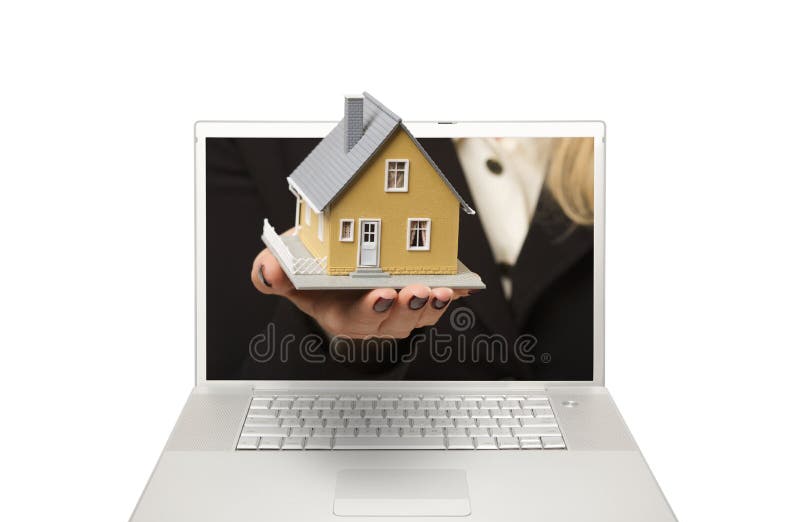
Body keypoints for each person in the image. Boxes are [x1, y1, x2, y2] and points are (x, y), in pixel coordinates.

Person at [205, 136, 594, 381]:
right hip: (377, 465)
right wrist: (342, 342)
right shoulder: (258, 137)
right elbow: (234, 391)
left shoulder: (600, 143)